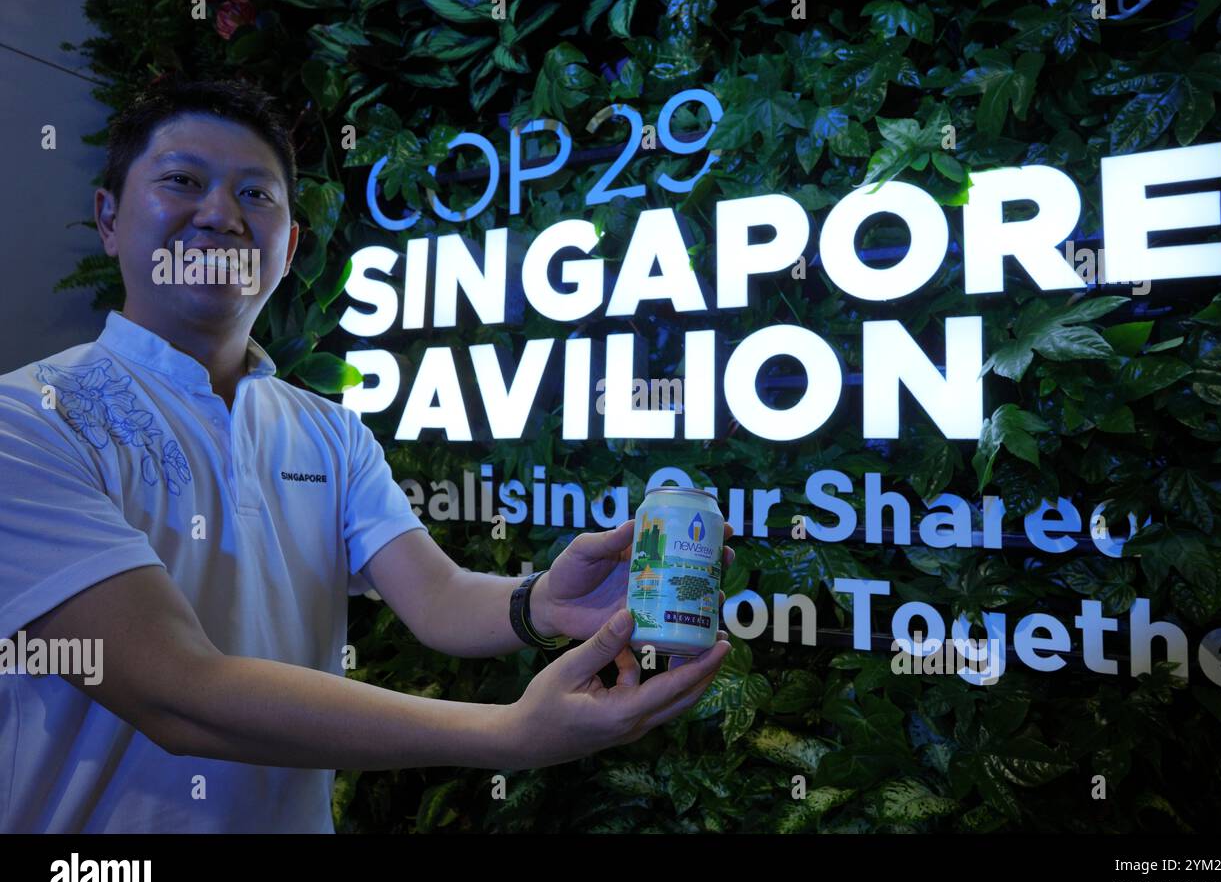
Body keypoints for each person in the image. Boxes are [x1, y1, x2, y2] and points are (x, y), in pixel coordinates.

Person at [0, 78, 733, 833]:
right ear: (110, 219)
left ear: (287, 247)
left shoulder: (329, 432)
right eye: (183, 181)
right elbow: (177, 692)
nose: (220, 215)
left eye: (256, 195)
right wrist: (510, 734)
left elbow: (437, 597)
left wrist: (543, 601)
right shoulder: (26, 422)